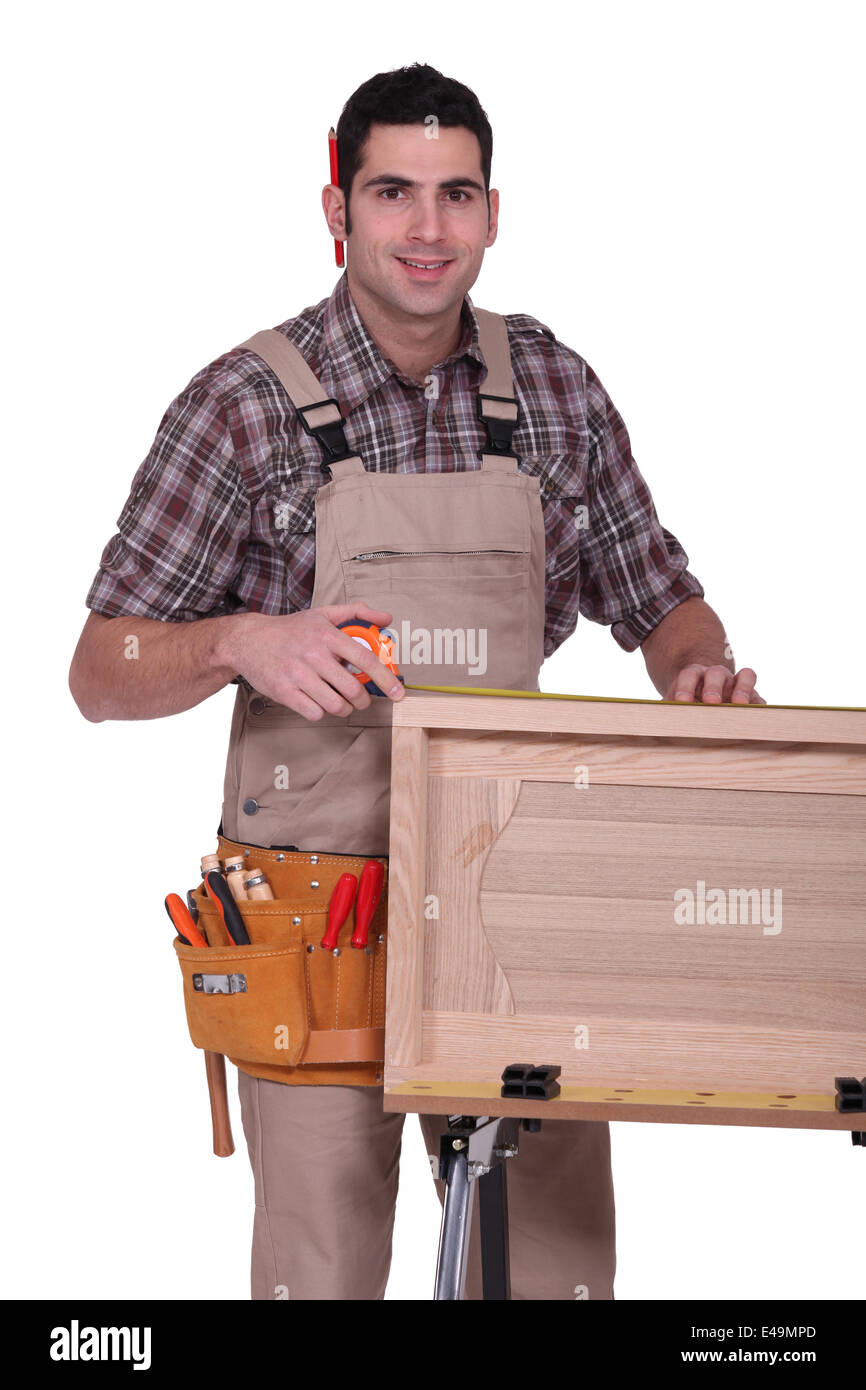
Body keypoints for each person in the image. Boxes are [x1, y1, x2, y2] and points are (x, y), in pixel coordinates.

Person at [69, 62, 765, 1301]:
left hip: (511, 903)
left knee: (549, 1279)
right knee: (320, 1278)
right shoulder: (240, 408)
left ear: (494, 212)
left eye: (455, 195)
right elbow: (100, 670)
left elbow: (656, 592)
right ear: (334, 208)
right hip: (314, 922)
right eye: (392, 191)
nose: (426, 228)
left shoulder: (551, 391)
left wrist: (697, 668)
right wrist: (242, 639)